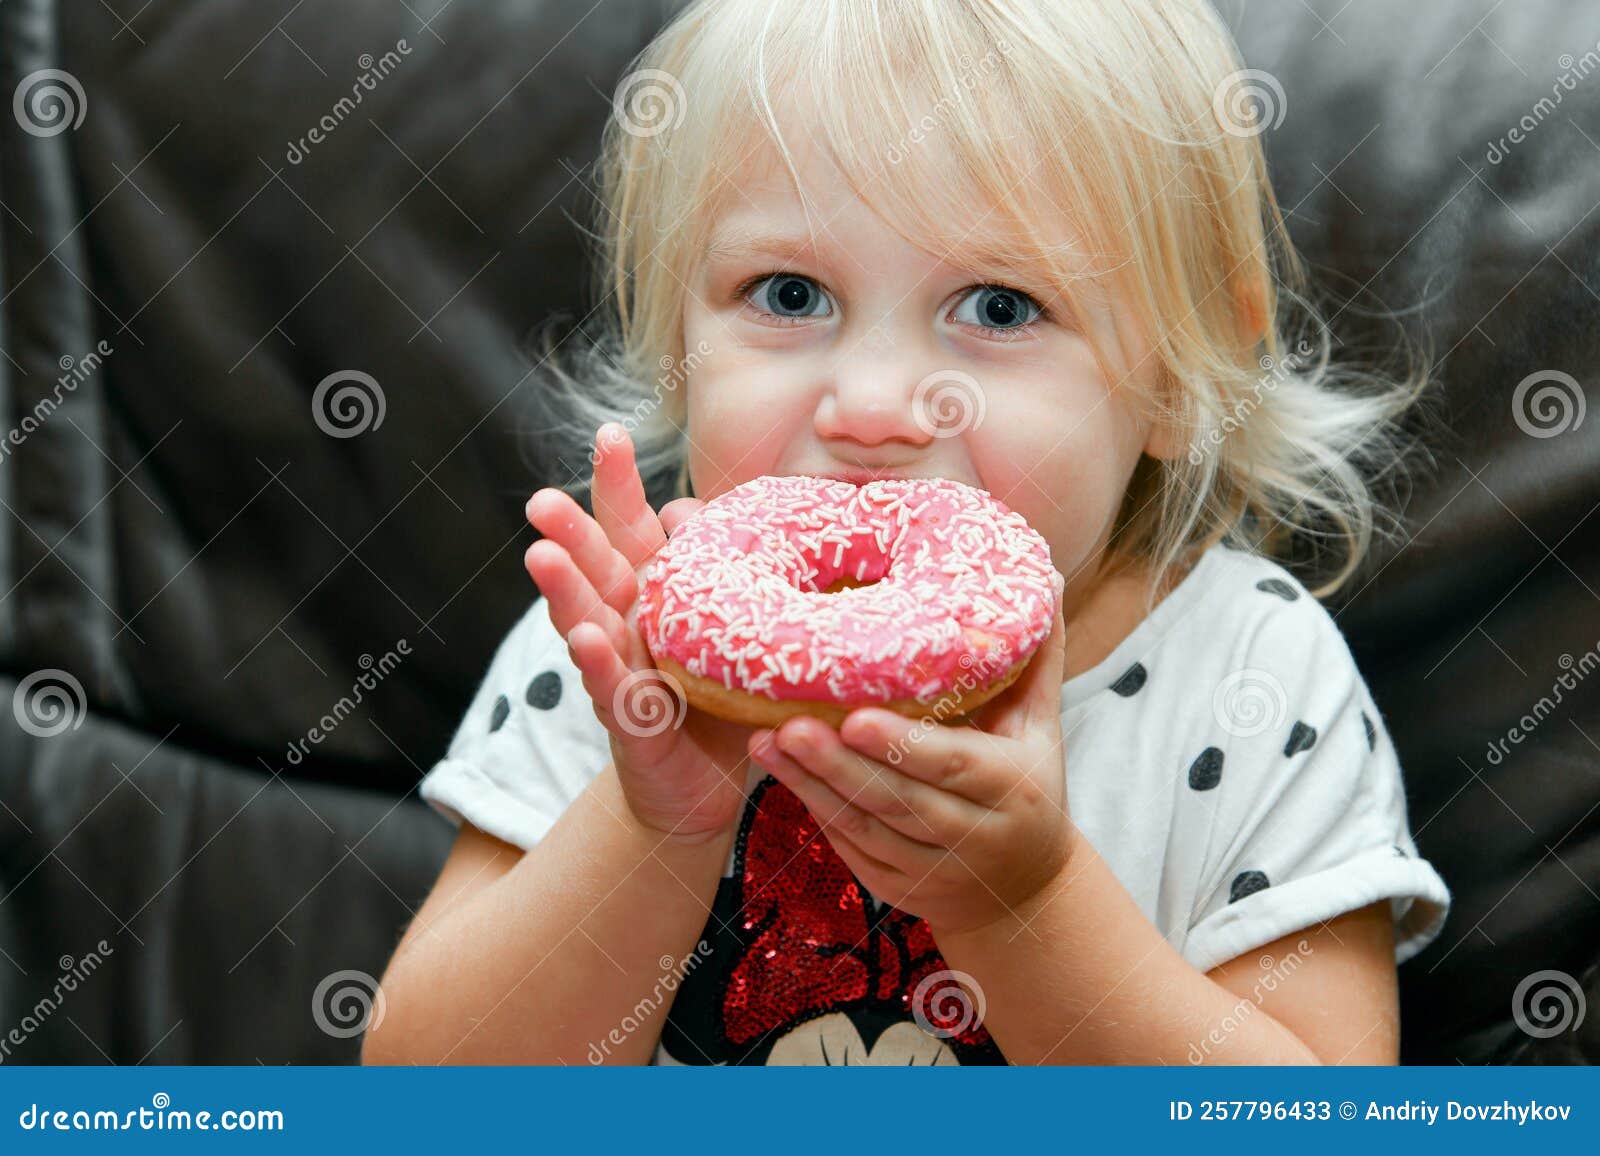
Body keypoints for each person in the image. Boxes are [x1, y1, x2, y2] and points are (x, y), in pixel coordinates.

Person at [363, 0, 1450, 1066]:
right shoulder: (613, 652)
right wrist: (653, 829)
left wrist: (1023, 905)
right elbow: (425, 1097)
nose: (875, 406)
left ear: (1177, 375)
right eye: (789, 294)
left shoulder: (1251, 678)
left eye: (998, 308)